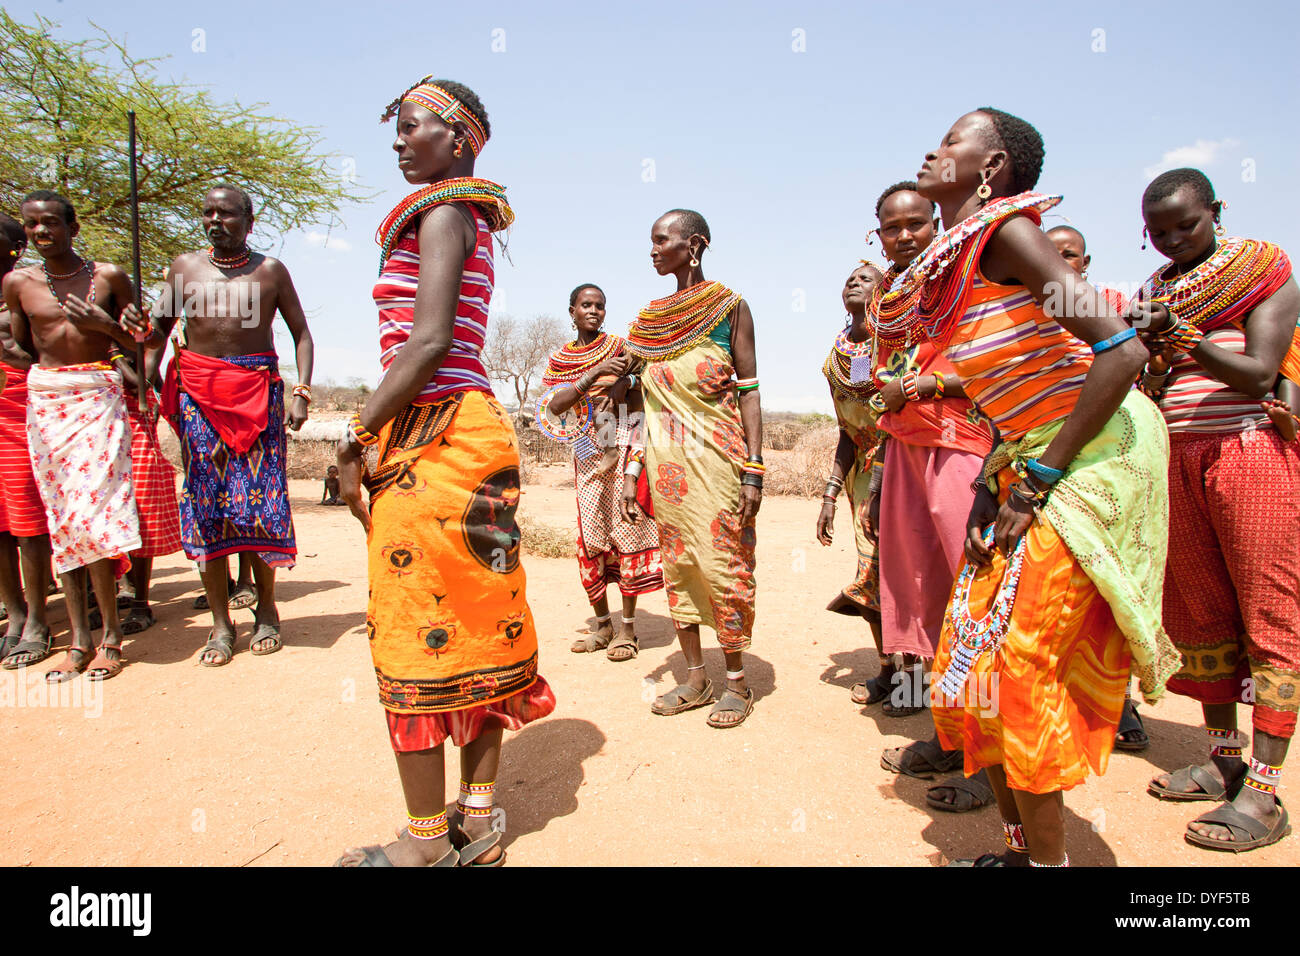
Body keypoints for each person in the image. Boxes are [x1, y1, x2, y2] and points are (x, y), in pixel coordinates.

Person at [890, 108, 1180, 866]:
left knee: (1018, 665)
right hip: (1030, 457)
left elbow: (1120, 351)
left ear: (990, 170)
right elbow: (1010, 375)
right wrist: (1005, 473)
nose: (933, 147)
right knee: (968, 660)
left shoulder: (1009, 236)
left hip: (1094, 454)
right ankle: (1021, 850)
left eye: (952, 140)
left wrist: (1038, 480)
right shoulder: (958, 263)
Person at [334, 76, 554, 867]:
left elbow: (426, 345)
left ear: (459, 142)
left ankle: (427, 843)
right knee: (483, 615)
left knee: (414, 633)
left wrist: (355, 436)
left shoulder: (438, 212)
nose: (398, 140)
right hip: (471, 434)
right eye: (395, 128)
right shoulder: (466, 217)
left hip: (435, 438)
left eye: (412, 127)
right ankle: (481, 822)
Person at [1137, 167, 1300, 853]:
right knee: (1201, 616)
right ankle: (1223, 759)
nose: (1174, 240)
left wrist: (1179, 335)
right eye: (1159, 233)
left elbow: (1260, 373)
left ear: (1217, 211)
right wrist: (1150, 344)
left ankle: (1263, 794)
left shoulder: (1265, 272)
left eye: (1186, 225)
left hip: (1250, 453)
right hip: (1180, 460)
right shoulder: (1157, 292)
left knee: (1268, 614)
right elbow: (1152, 375)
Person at [124, 183, 313, 666]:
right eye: (208, 213)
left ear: (249, 220)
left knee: (261, 499)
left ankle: (267, 612)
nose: (215, 220)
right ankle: (221, 625)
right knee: (206, 501)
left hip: (257, 394)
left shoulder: (270, 271)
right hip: (198, 395)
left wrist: (301, 391)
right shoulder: (183, 268)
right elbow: (158, 335)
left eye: (226, 214)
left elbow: (301, 334)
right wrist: (145, 377)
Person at [621, 209, 762, 728]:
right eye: (651, 241)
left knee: (722, 567)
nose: (653, 250)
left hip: (721, 465)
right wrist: (634, 464)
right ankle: (696, 678)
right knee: (678, 569)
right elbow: (631, 400)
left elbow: (749, 390)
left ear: (694, 244)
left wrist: (754, 467)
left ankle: (738, 684)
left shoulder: (730, 308)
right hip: (666, 470)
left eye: (662, 240)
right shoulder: (647, 324)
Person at [4, 190, 143, 682]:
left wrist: (108, 327)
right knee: (63, 519)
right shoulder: (18, 283)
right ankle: (79, 640)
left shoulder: (107, 277)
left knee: (97, 514)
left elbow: (142, 343)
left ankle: (110, 637)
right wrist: (51, 378)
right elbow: (22, 348)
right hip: (48, 402)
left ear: (73, 227)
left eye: (50, 224)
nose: (41, 232)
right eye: (32, 225)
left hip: (98, 397)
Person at [1046, 223, 1149, 753]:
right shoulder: (1033, 315)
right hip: (1047, 455)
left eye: (1070, 255)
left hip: (1105, 460)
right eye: (1051, 253)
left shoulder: (1108, 305)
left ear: (1085, 263)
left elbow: (1137, 367)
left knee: (1109, 576)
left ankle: (1121, 703)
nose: (1061, 262)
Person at [541, 283, 663, 661]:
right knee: (591, 539)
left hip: (624, 440)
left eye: (600, 306)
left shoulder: (622, 349)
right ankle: (603, 624)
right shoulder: (562, 360)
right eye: (586, 305)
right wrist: (595, 374)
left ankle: (627, 630)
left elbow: (641, 399)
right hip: (585, 450)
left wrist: (623, 380)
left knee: (627, 532)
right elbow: (552, 408)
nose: (594, 311)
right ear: (572, 311)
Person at [818, 262, 886, 687]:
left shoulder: (898, 344)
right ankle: (890, 669)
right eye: (849, 278)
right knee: (872, 573)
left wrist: (880, 482)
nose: (854, 282)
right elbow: (852, 426)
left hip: (903, 464)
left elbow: (895, 420)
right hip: (863, 475)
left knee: (900, 572)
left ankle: (915, 675)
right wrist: (828, 495)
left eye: (866, 278)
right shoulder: (847, 357)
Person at [0, 212, 54, 669]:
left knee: (26, 518)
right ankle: (14, 613)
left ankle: (38, 618)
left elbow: (42, 355)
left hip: (20, 414)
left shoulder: (29, 292)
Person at [107, 344, 182, 634]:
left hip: (135, 431)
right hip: (97, 420)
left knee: (139, 515)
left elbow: (145, 382)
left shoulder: (135, 339)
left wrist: (114, 353)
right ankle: (107, 600)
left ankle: (140, 603)